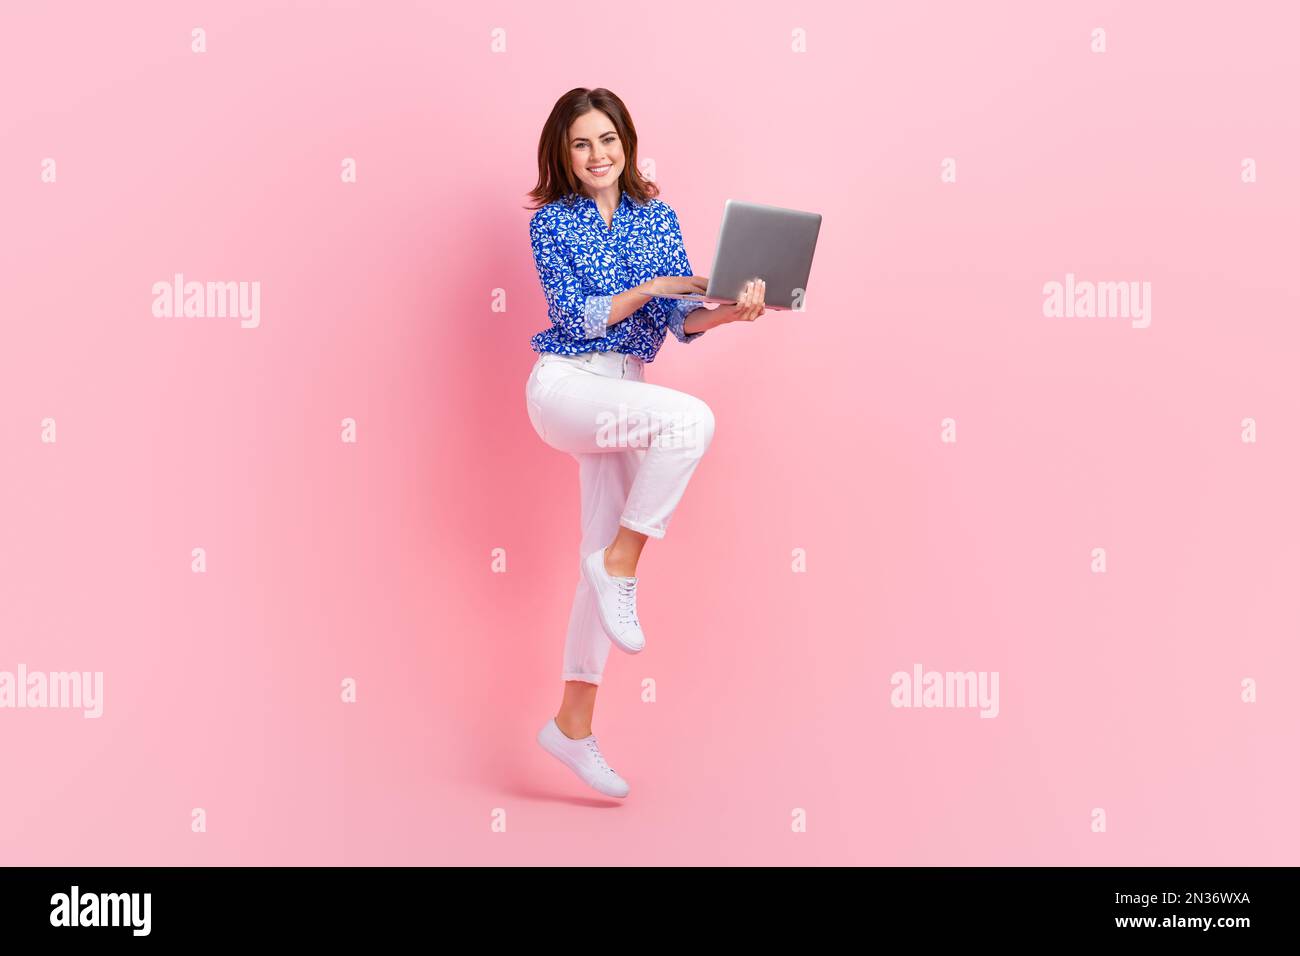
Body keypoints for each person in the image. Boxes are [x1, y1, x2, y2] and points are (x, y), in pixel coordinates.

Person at [523, 88, 767, 798]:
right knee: (690, 422)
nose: (598, 155)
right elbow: (577, 317)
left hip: (624, 392)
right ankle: (622, 563)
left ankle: (571, 726)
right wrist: (656, 284)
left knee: (591, 568)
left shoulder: (656, 217)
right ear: (563, 157)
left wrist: (732, 315)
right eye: (581, 144)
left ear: (627, 143)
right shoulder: (553, 225)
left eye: (609, 140)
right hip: (568, 387)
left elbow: (679, 323)